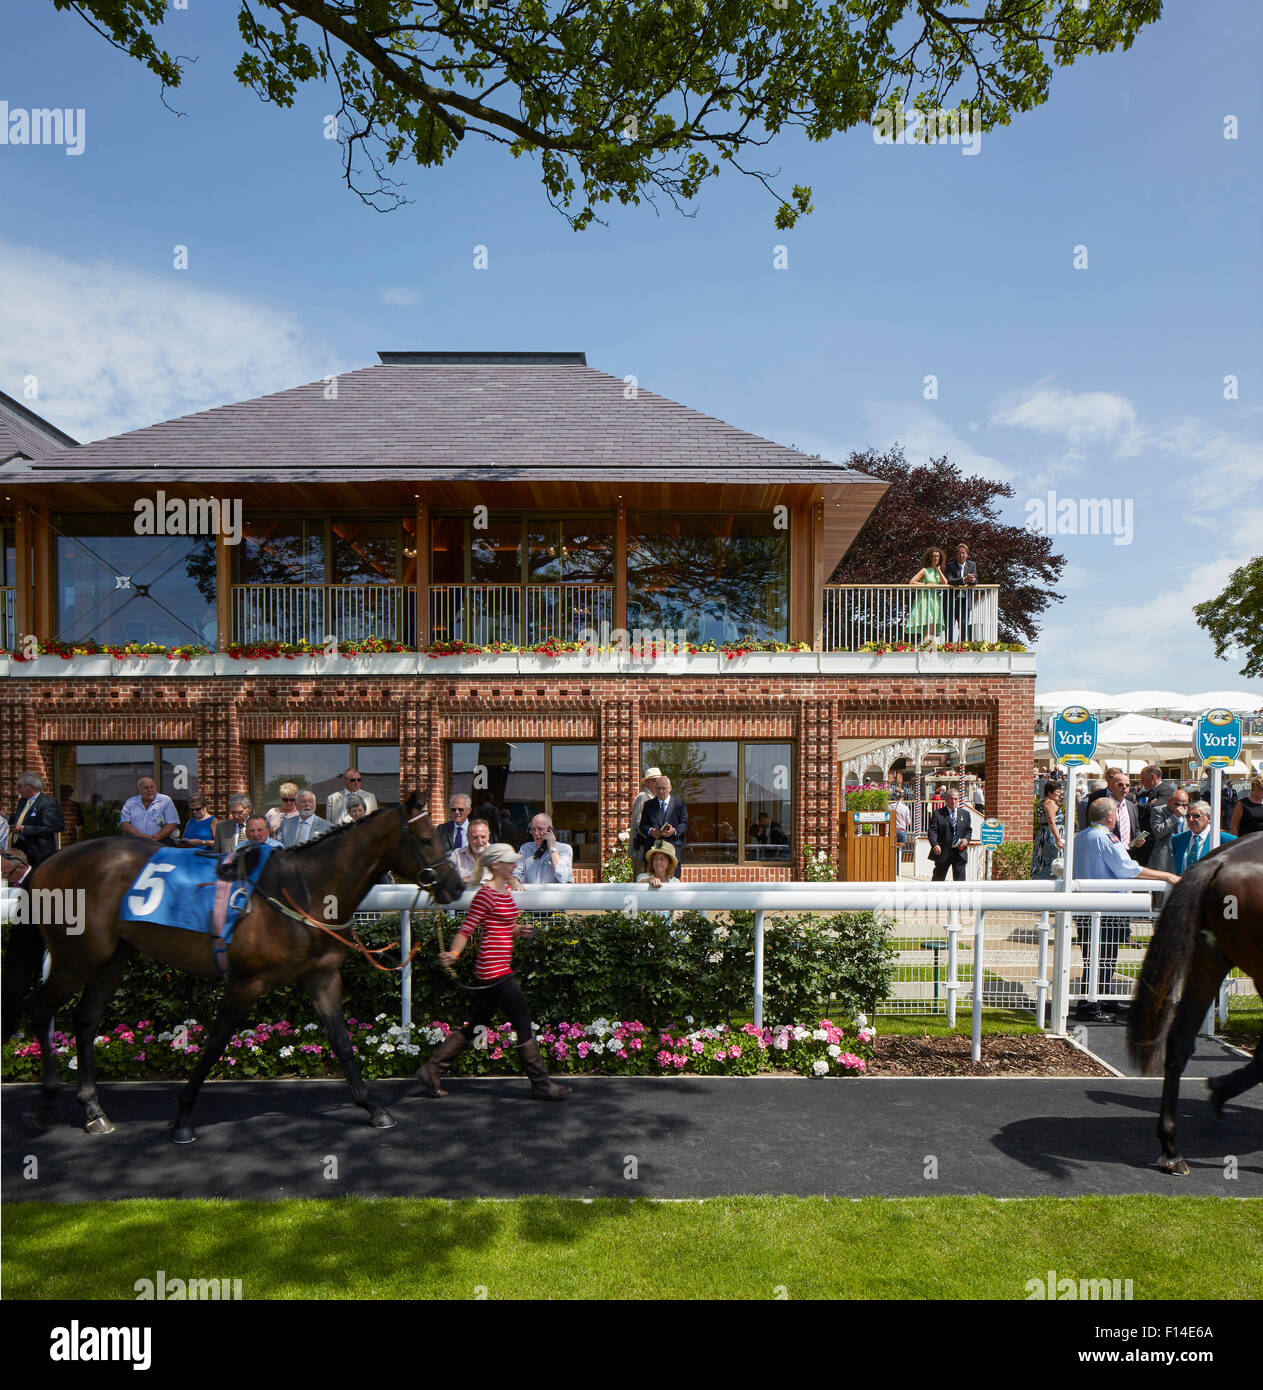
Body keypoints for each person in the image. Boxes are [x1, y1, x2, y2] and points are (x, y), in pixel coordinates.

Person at [415, 842, 570, 1101]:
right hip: (493, 970)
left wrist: (519, 930)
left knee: (477, 1024)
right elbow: (467, 929)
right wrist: (453, 954)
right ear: (496, 865)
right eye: (510, 862)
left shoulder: (505, 890)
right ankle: (541, 1083)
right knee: (522, 1019)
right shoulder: (485, 894)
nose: (515, 865)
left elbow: (503, 926)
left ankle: (432, 1070)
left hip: (497, 970)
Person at [1072, 798, 1179, 1021]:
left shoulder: (1080, 836)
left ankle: (1102, 997)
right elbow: (1127, 868)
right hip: (1107, 907)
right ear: (1110, 816)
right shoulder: (1107, 837)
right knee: (1104, 955)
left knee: (1095, 955)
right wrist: (1166, 875)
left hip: (1085, 906)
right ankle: (1089, 1004)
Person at [9, 772, 64, 870]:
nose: (18, 790)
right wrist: (8, 818)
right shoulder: (23, 801)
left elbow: (54, 827)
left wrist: (24, 829)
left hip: (38, 851)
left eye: (19, 786)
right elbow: (23, 819)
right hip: (20, 850)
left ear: (30, 786)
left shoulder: (47, 803)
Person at [1171, 802, 1237, 872]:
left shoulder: (1228, 840)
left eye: (1196, 816)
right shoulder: (1177, 839)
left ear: (1208, 818)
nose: (1190, 820)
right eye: (1187, 816)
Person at [511, 813, 574, 886]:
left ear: (551, 830)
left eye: (540, 829)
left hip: (554, 895)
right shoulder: (525, 849)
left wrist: (552, 848)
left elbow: (563, 877)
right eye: (533, 830)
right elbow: (516, 872)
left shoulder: (564, 849)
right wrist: (514, 881)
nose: (536, 833)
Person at [637, 774, 688, 863]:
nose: (660, 792)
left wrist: (674, 831)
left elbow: (684, 824)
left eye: (663, 788)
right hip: (654, 852)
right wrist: (651, 831)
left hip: (673, 851)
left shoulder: (679, 804)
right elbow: (642, 825)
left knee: (672, 877)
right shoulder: (648, 805)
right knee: (653, 877)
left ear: (670, 788)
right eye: (658, 788)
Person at [903, 547, 947, 649]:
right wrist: (925, 584)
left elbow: (945, 583)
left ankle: (926, 647)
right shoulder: (925, 570)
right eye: (934, 556)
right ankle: (926, 647)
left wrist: (939, 570)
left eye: (937, 556)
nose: (936, 558)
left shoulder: (938, 572)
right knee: (927, 621)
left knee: (933, 621)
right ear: (930, 557)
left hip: (935, 600)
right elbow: (912, 582)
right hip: (924, 598)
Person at [119, 776, 180, 845]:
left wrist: (156, 838)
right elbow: (125, 824)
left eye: (152, 787)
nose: (149, 790)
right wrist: (142, 837)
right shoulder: (130, 802)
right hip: (136, 843)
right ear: (139, 790)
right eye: (146, 788)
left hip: (160, 842)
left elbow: (172, 824)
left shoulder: (165, 800)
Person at [629, 767, 663, 878]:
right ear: (647, 782)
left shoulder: (656, 799)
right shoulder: (643, 797)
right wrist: (653, 833)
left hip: (651, 848)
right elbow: (638, 824)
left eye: (658, 780)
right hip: (641, 849)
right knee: (641, 881)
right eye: (654, 780)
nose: (657, 783)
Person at [1146, 786, 1188, 873]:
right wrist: (1174, 817)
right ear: (1169, 801)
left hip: (1182, 858)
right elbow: (1158, 832)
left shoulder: (1188, 813)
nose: (1181, 807)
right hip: (1164, 860)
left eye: (1184, 805)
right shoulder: (1158, 811)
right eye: (1177, 804)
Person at [943, 542, 978, 641]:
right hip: (951, 600)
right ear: (956, 555)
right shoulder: (950, 565)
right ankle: (948, 645)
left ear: (967, 554)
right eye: (959, 553)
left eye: (963, 553)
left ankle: (961, 646)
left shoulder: (972, 565)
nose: (962, 555)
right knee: (949, 625)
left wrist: (972, 580)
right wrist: (964, 580)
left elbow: (976, 580)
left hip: (965, 601)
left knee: (963, 625)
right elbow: (949, 580)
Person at [1031, 780, 1065, 880]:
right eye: (1057, 792)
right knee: (1053, 863)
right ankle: (1052, 885)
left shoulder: (1042, 803)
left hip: (1044, 834)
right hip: (1051, 835)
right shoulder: (1049, 803)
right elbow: (1051, 822)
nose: (1059, 794)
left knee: (1042, 862)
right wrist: (1058, 839)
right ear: (1050, 792)